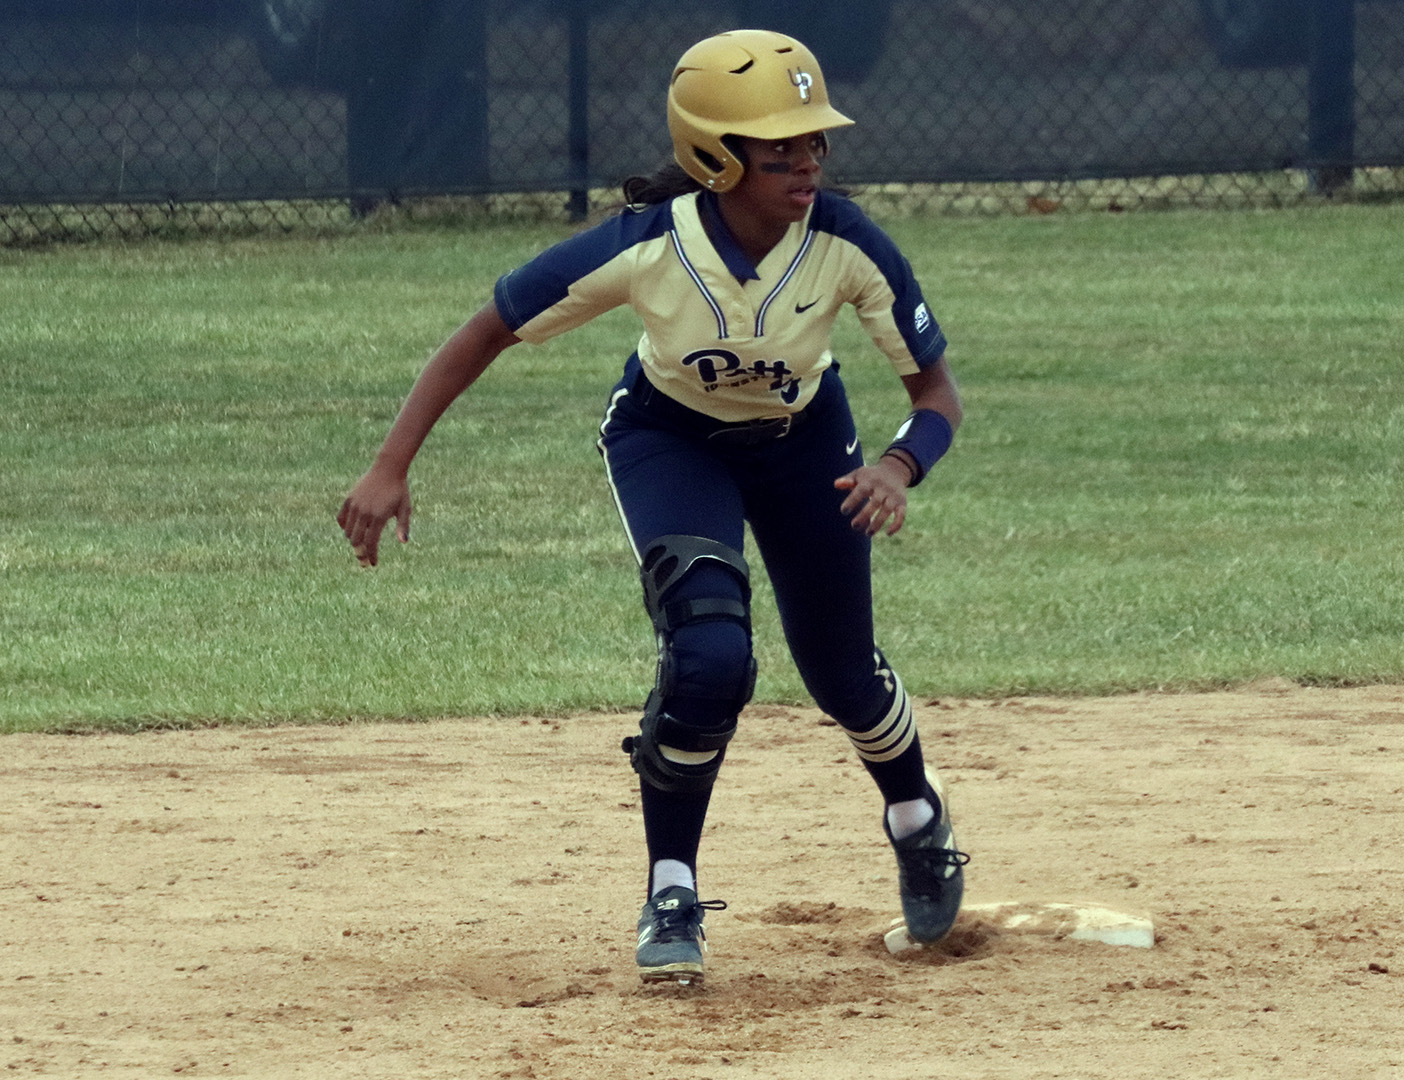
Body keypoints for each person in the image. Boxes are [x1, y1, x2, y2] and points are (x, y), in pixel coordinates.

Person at [335, 28, 968, 986]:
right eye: (779, 148)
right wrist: (391, 465)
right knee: (710, 653)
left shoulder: (844, 242)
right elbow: (486, 330)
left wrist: (898, 466)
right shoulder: (647, 248)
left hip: (807, 446)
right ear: (715, 156)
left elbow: (937, 396)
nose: (807, 163)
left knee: (842, 673)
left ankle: (917, 820)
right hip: (671, 441)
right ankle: (671, 886)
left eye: (814, 143)